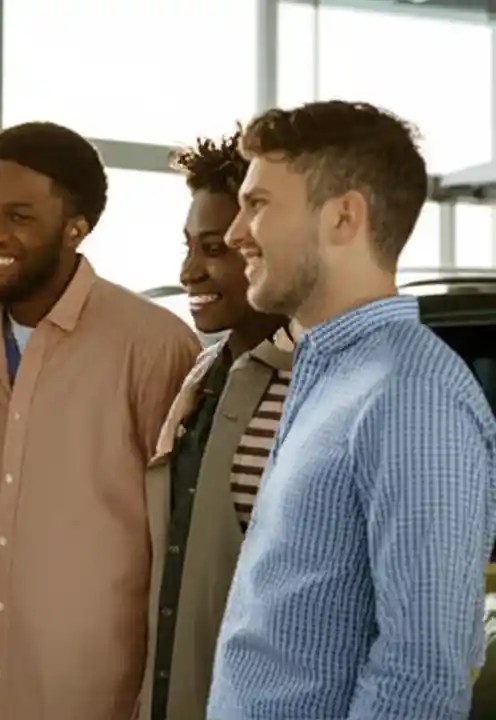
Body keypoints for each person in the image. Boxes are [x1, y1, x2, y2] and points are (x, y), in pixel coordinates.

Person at [207, 100, 496, 719]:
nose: (235, 233)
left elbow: (421, 674)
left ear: (343, 217)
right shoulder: (328, 373)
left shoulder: (412, 396)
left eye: (258, 204)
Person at [0, 121, 201, 720]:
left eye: (19, 216)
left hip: (104, 697)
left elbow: (188, 539)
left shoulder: (153, 345)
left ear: (76, 228)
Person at [136, 129, 291, 720]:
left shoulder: (320, 389)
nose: (189, 272)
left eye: (215, 249)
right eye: (189, 247)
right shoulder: (203, 375)